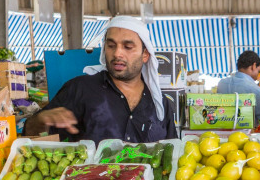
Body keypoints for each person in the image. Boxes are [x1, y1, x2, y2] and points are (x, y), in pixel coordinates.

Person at [24, 15, 177, 142]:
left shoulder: (160, 104)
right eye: (111, 45)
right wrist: (40, 120)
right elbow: (31, 136)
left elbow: (172, 152)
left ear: (145, 54)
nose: (117, 53)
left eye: (127, 47)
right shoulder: (80, 90)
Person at [216, 50, 260, 127]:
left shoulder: (222, 83)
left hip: (222, 133)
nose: (258, 76)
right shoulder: (254, 89)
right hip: (246, 136)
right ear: (253, 66)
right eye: (258, 71)